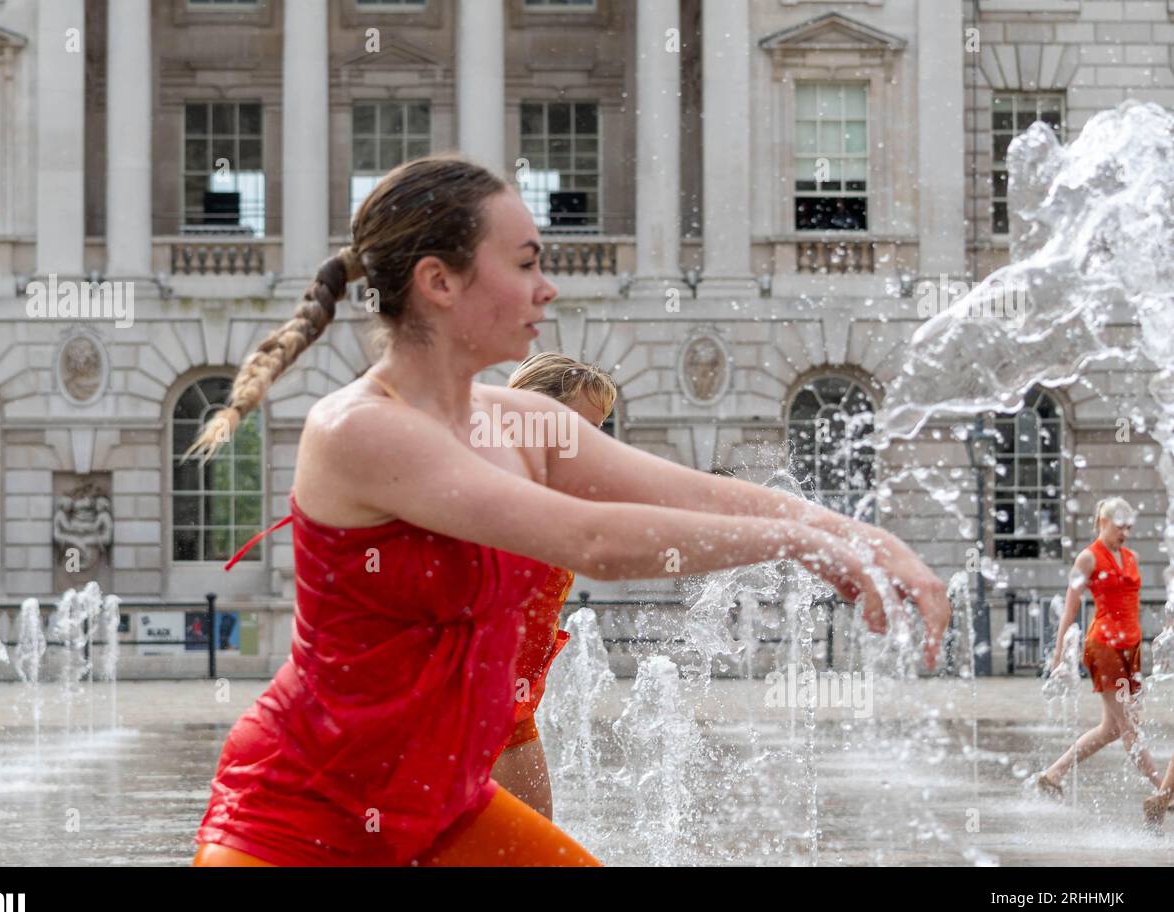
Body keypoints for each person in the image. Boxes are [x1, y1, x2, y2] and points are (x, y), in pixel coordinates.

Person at [190, 153, 950, 867]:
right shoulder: (360, 428)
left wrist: (860, 534)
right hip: (303, 816)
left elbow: (688, 490)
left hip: (446, 805)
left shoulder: (519, 421)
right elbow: (595, 541)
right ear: (439, 282)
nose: (546, 287)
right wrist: (798, 544)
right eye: (524, 264)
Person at [490, 352, 617, 819]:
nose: (592, 443)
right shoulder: (492, 479)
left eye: (599, 429)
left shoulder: (559, 488)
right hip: (455, 708)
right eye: (580, 427)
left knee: (538, 850)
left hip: (513, 710)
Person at [1034, 497, 1160, 803]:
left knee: (1111, 729)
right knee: (1129, 724)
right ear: (1103, 522)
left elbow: (1133, 606)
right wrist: (1058, 656)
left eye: (1129, 527)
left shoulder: (1132, 557)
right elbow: (1070, 609)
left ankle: (1053, 775)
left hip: (1130, 648)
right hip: (1103, 647)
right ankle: (1164, 789)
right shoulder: (1087, 558)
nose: (1125, 533)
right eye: (1120, 527)